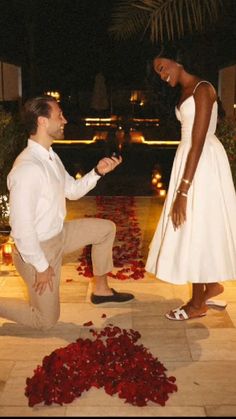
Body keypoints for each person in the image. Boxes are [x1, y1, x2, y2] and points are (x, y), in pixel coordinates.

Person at [0, 95, 134, 331]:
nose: (64, 119)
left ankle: (101, 291)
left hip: (59, 234)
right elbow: (21, 228)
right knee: (46, 321)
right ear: (42, 121)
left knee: (105, 229)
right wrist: (41, 267)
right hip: (37, 250)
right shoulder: (28, 168)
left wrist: (97, 172)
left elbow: (72, 191)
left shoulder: (50, 157)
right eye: (59, 115)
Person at [145, 47, 236, 321]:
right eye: (158, 71)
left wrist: (183, 190)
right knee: (198, 226)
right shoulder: (187, 91)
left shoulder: (202, 89)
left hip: (202, 164)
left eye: (163, 67)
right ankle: (210, 286)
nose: (161, 75)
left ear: (178, 60)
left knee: (196, 226)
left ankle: (198, 304)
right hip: (192, 160)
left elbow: (197, 141)